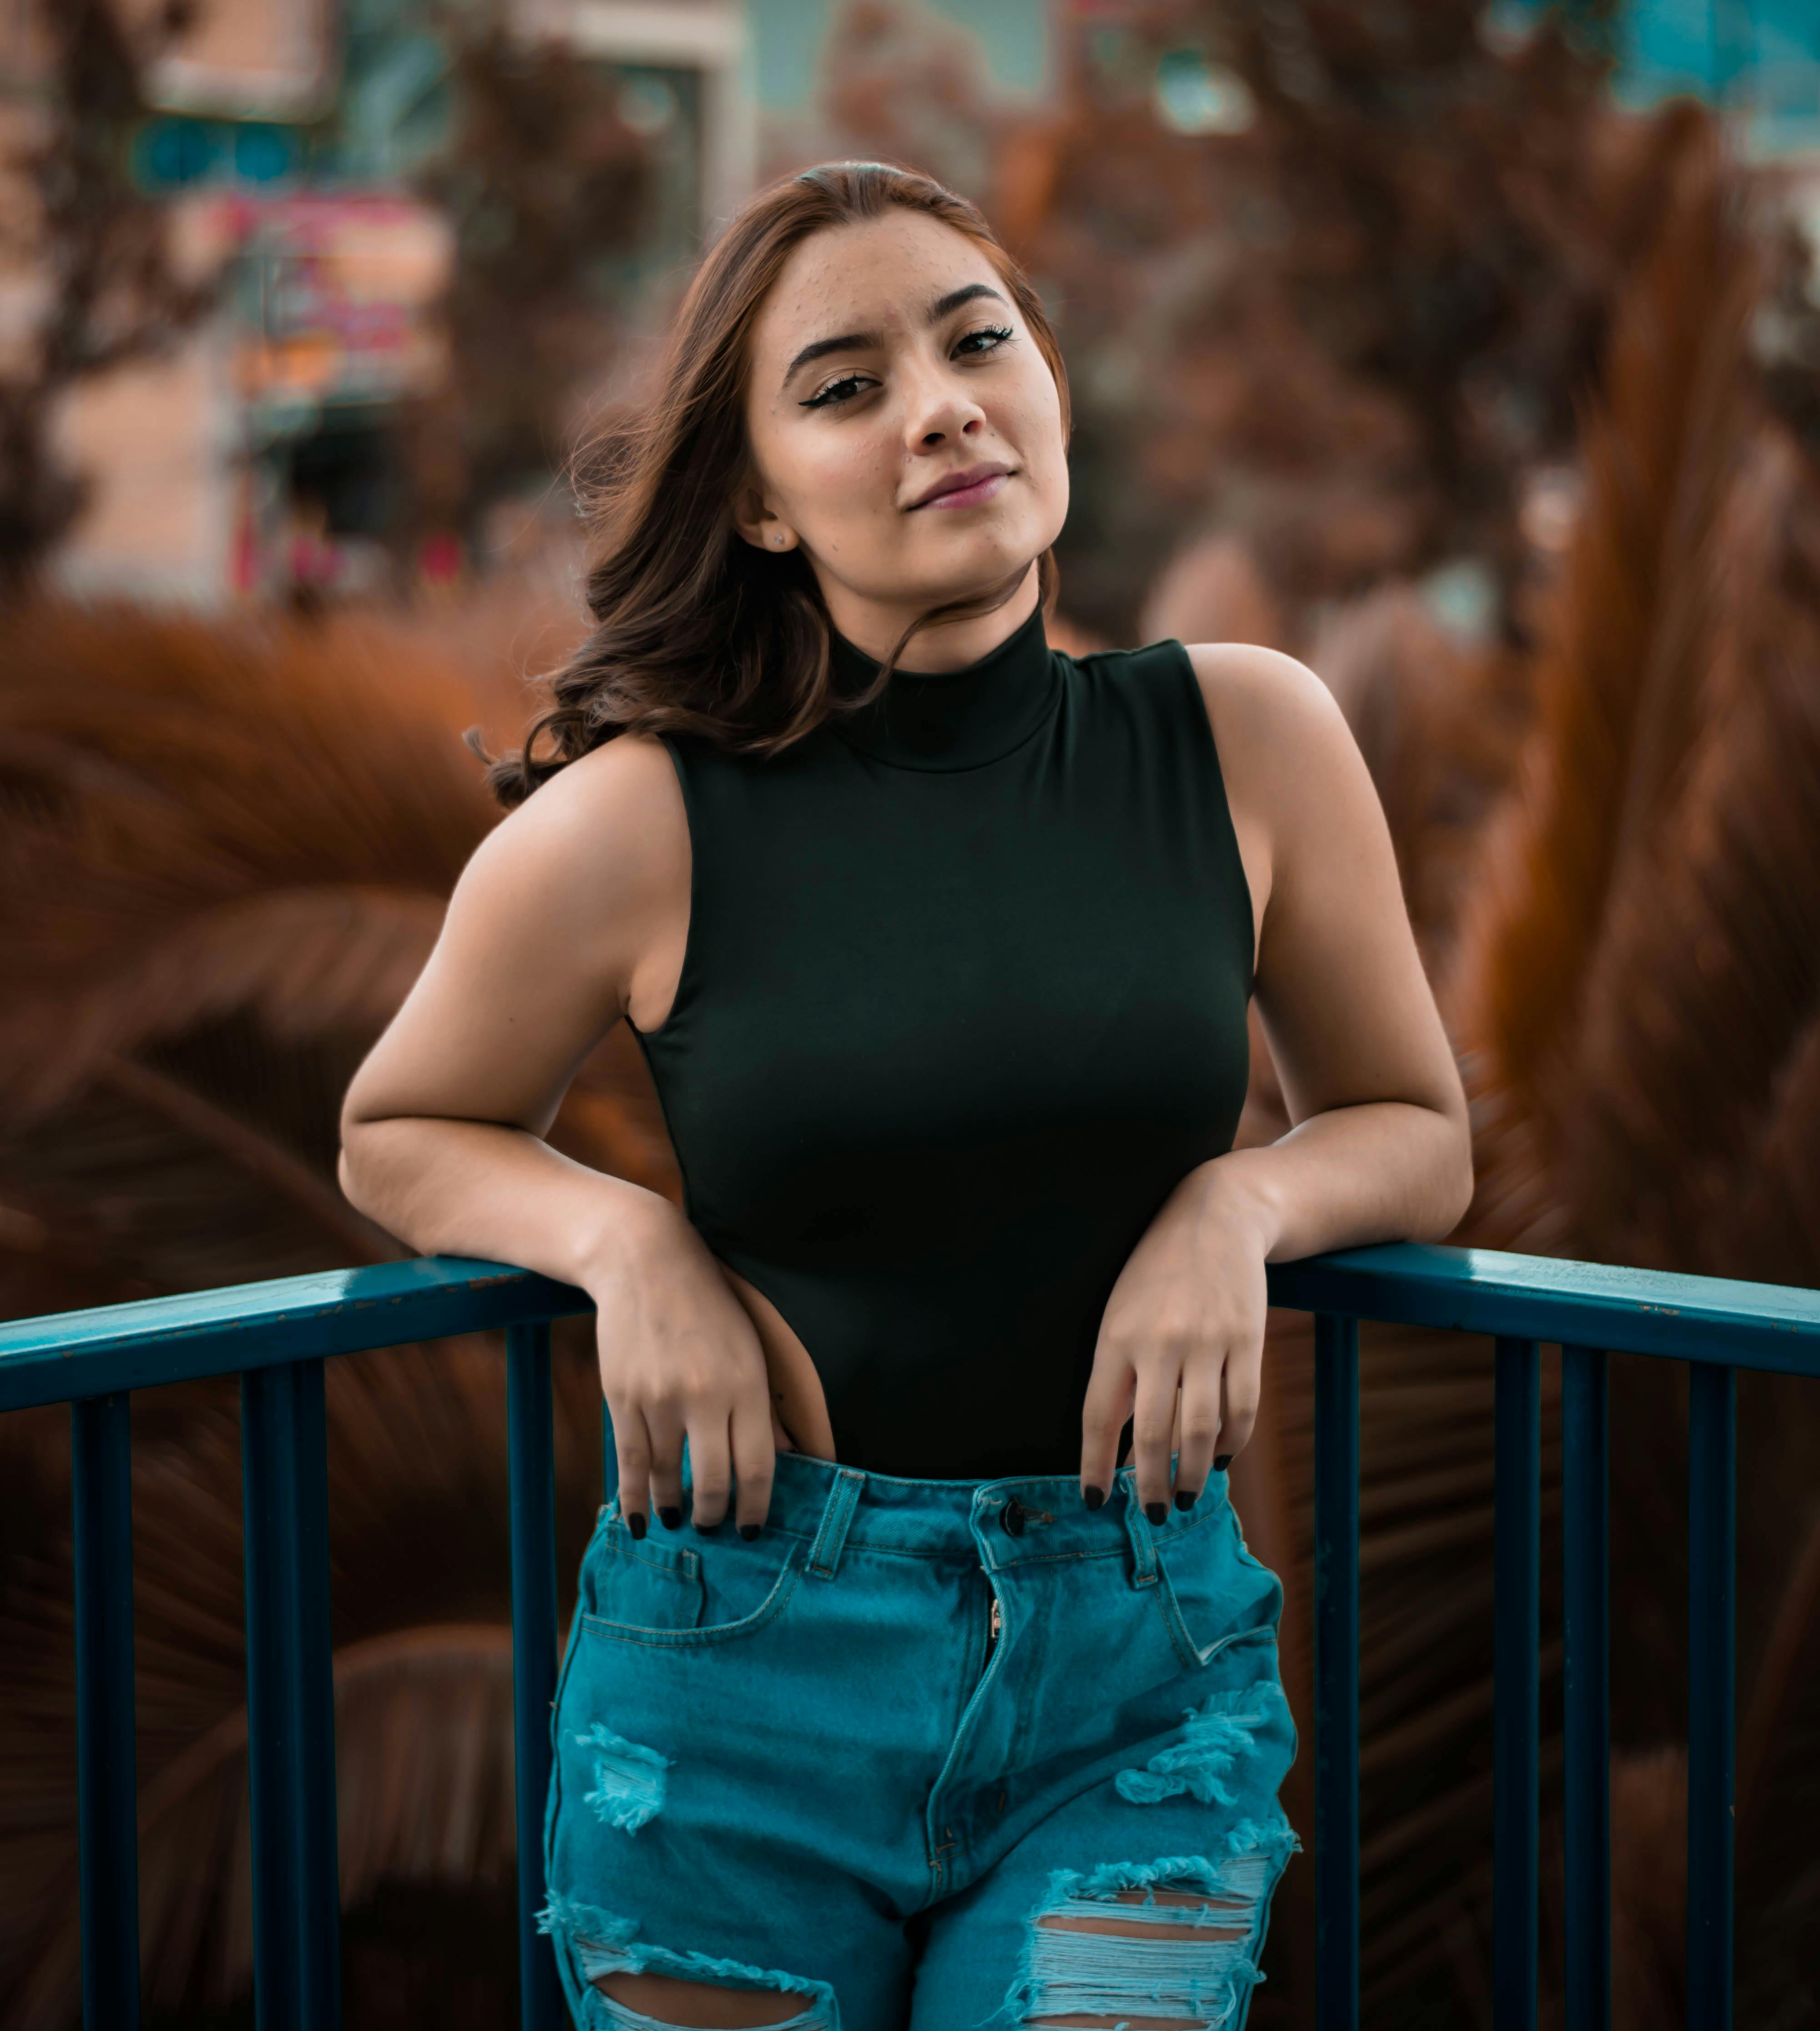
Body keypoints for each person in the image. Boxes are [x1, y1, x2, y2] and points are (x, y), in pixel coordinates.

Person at [339, 161, 1472, 2031]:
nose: (941, 403)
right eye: (845, 384)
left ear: (1043, 383)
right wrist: (622, 1241)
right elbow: (403, 1126)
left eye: (975, 341)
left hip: (1134, 1676)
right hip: (740, 1678)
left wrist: (1239, 1207)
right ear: (760, 506)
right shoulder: (643, 822)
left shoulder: (1246, 737)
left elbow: (1411, 1129)